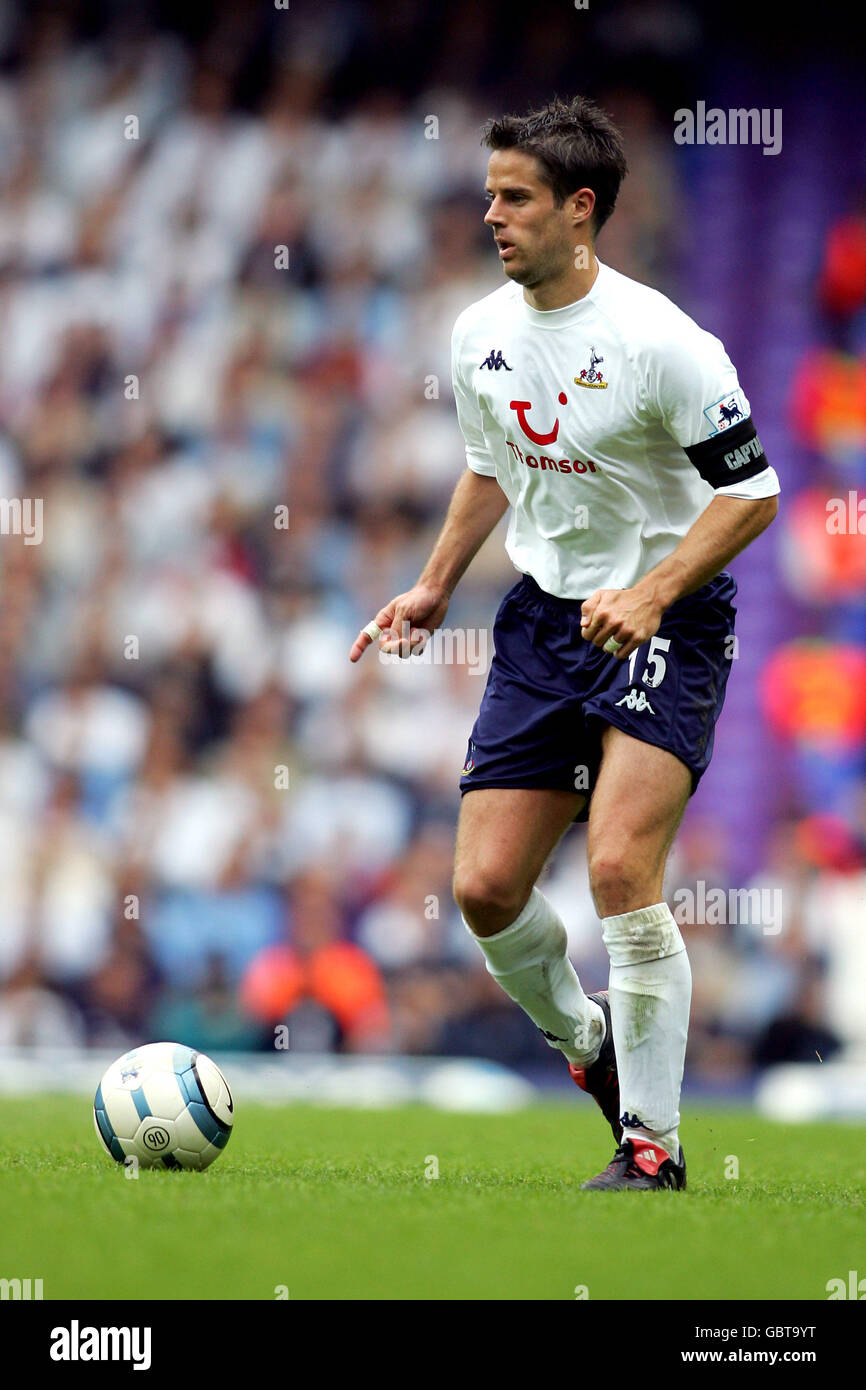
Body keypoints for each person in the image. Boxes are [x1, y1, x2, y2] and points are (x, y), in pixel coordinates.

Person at [350, 95, 779, 1190]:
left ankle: (653, 1146)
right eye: (488, 193)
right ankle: (588, 1048)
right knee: (486, 887)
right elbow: (492, 464)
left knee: (618, 868)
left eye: (514, 198)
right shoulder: (477, 332)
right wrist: (432, 585)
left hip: (664, 620)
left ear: (578, 210)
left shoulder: (663, 343)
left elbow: (755, 492)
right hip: (542, 620)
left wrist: (653, 589)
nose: (490, 215)